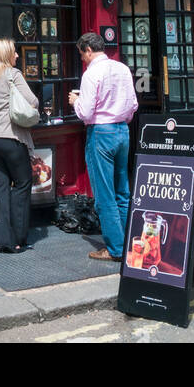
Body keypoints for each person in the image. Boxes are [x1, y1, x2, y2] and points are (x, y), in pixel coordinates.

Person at [69, 31, 138, 262]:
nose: (82, 59)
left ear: (89, 50)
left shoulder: (91, 74)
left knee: (105, 195)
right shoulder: (122, 69)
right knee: (122, 191)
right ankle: (127, 243)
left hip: (101, 133)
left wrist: (75, 102)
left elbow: (86, 112)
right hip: (122, 131)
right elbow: (133, 105)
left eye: (82, 54)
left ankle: (115, 249)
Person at [0, 38, 39, 254]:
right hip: (11, 137)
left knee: (1, 187)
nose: (17, 56)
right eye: (14, 52)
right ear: (6, 55)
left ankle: (3, 240)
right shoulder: (14, 75)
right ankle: (19, 239)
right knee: (23, 184)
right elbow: (32, 101)